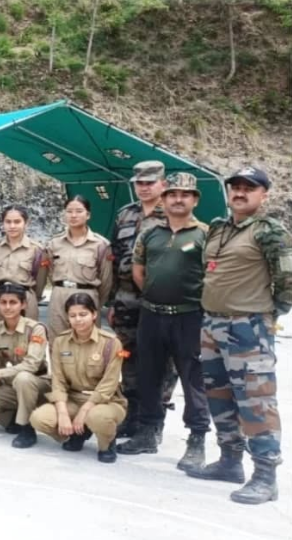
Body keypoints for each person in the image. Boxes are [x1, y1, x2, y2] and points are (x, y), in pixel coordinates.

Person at [190, 167, 291, 504]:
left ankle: (265, 475)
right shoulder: (217, 229)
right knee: (218, 395)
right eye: (235, 187)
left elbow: (287, 279)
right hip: (213, 325)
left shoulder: (268, 231)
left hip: (248, 327)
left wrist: (266, 314)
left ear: (264, 195)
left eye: (250, 188)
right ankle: (230, 460)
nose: (240, 192)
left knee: (256, 401)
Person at [118, 172, 212, 469]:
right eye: (172, 194)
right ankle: (148, 431)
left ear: (195, 199)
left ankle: (196, 439)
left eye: (185, 194)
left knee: (193, 379)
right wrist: (155, 294)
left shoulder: (205, 235)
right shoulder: (151, 233)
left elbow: (213, 275)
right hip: (152, 314)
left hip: (189, 317)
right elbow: (138, 268)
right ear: (165, 198)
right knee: (149, 375)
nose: (178, 199)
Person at [109, 160, 177, 438]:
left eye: (150, 182)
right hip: (126, 299)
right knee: (127, 358)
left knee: (162, 361)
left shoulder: (172, 215)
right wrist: (112, 302)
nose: (145, 187)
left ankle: (154, 421)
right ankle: (132, 415)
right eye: (140, 183)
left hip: (160, 300)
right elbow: (114, 259)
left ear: (163, 184)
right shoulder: (125, 215)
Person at [29, 293, 127, 464]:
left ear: (94, 314)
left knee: (97, 417)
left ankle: (107, 442)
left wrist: (84, 411)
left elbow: (109, 384)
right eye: (72, 315)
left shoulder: (111, 343)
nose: (78, 320)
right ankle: (77, 433)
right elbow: (58, 380)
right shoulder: (61, 342)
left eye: (83, 314)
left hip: (106, 401)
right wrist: (62, 413)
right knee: (39, 418)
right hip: (73, 398)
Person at [0, 282, 51, 448]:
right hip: (12, 386)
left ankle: (27, 429)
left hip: (38, 385)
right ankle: (13, 420)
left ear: (23, 304)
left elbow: (32, 365)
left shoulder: (36, 329)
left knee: (23, 378)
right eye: (3, 302)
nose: (8, 307)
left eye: (13, 302)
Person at [46, 196, 113, 335]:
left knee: (88, 344)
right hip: (59, 296)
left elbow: (106, 280)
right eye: (69, 211)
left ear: (88, 215)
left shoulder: (100, 245)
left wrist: (94, 302)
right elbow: (50, 272)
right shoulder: (54, 243)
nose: (73, 215)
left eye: (79, 211)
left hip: (87, 296)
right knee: (57, 342)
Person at [0, 205, 47, 325]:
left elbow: (40, 280)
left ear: (26, 223)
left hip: (25, 297)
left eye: (17, 222)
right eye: (8, 222)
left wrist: (32, 296)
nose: (12, 226)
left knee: (26, 334)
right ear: (3, 223)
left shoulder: (37, 249)